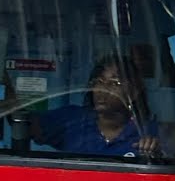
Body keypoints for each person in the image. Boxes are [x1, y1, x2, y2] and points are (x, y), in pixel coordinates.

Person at [30, 55, 164, 159]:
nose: (102, 89)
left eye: (114, 83)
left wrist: (156, 154)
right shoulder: (72, 119)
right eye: (99, 82)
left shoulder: (149, 133)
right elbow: (23, 123)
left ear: (134, 91)